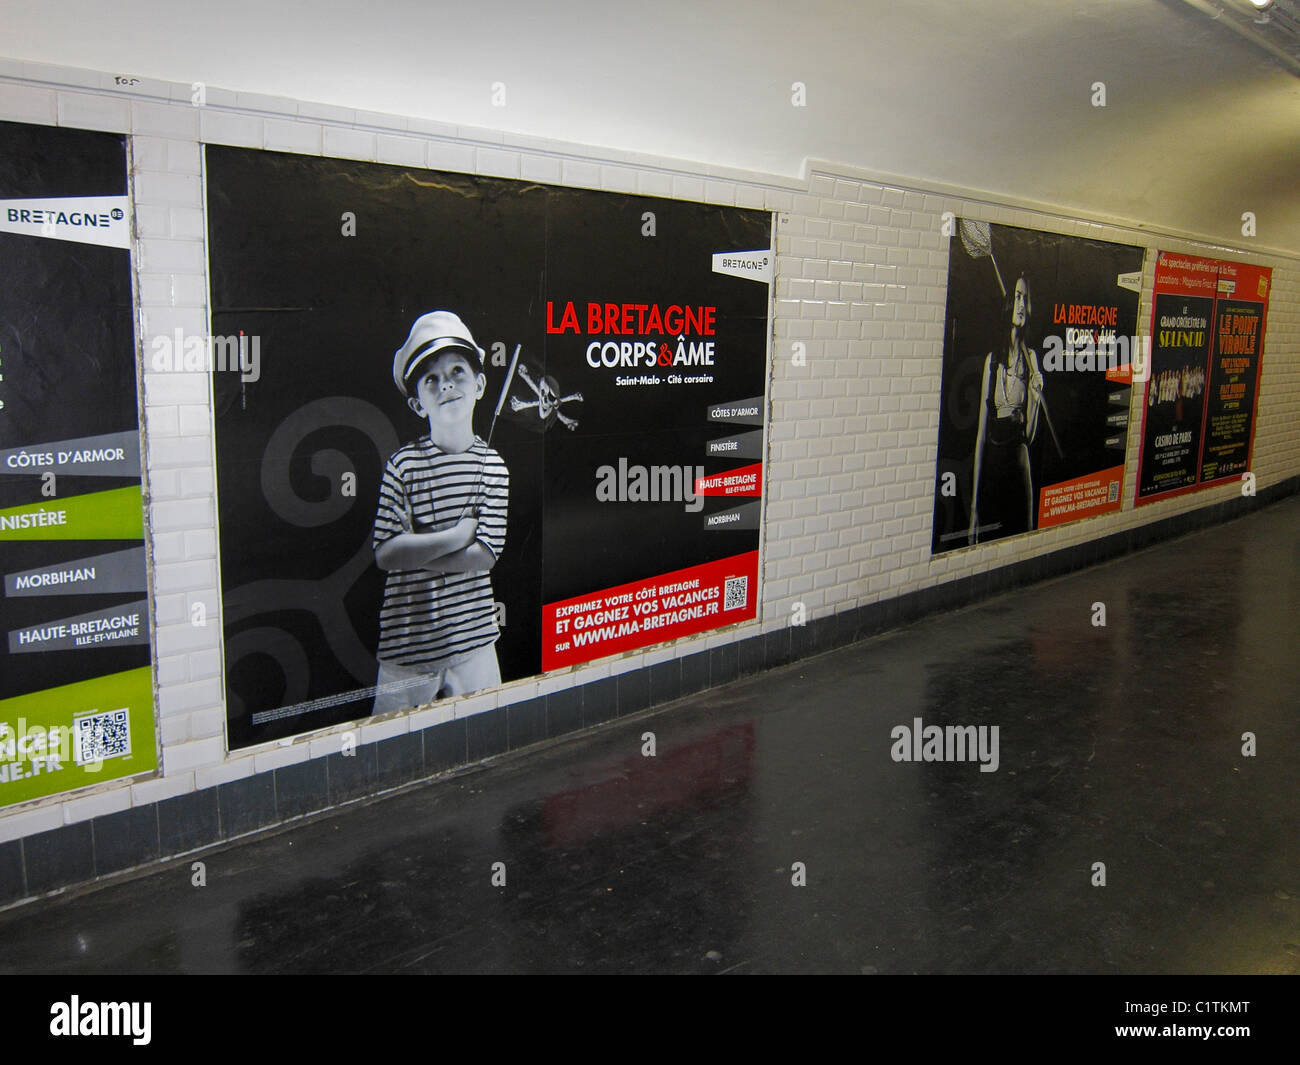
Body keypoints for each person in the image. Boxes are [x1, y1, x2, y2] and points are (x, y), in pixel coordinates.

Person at [371, 310, 509, 715]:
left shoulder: (493, 466)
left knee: (486, 730)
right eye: (430, 379)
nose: (446, 383)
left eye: (457, 370)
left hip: (475, 642)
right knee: (389, 744)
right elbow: (386, 554)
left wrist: (418, 554)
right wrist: (456, 536)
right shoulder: (403, 465)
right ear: (417, 403)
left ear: (480, 384)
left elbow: (484, 555)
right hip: (406, 645)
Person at [969, 275, 1044, 545]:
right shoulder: (992, 362)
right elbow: (980, 436)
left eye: (1026, 298)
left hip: (1019, 463)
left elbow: (1030, 436)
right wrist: (974, 508)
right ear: (1007, 303)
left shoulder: (1031, 359)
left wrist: (1035, 398)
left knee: (1021, 537)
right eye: (1017, 297)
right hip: (994, 464)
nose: (1022, 304)